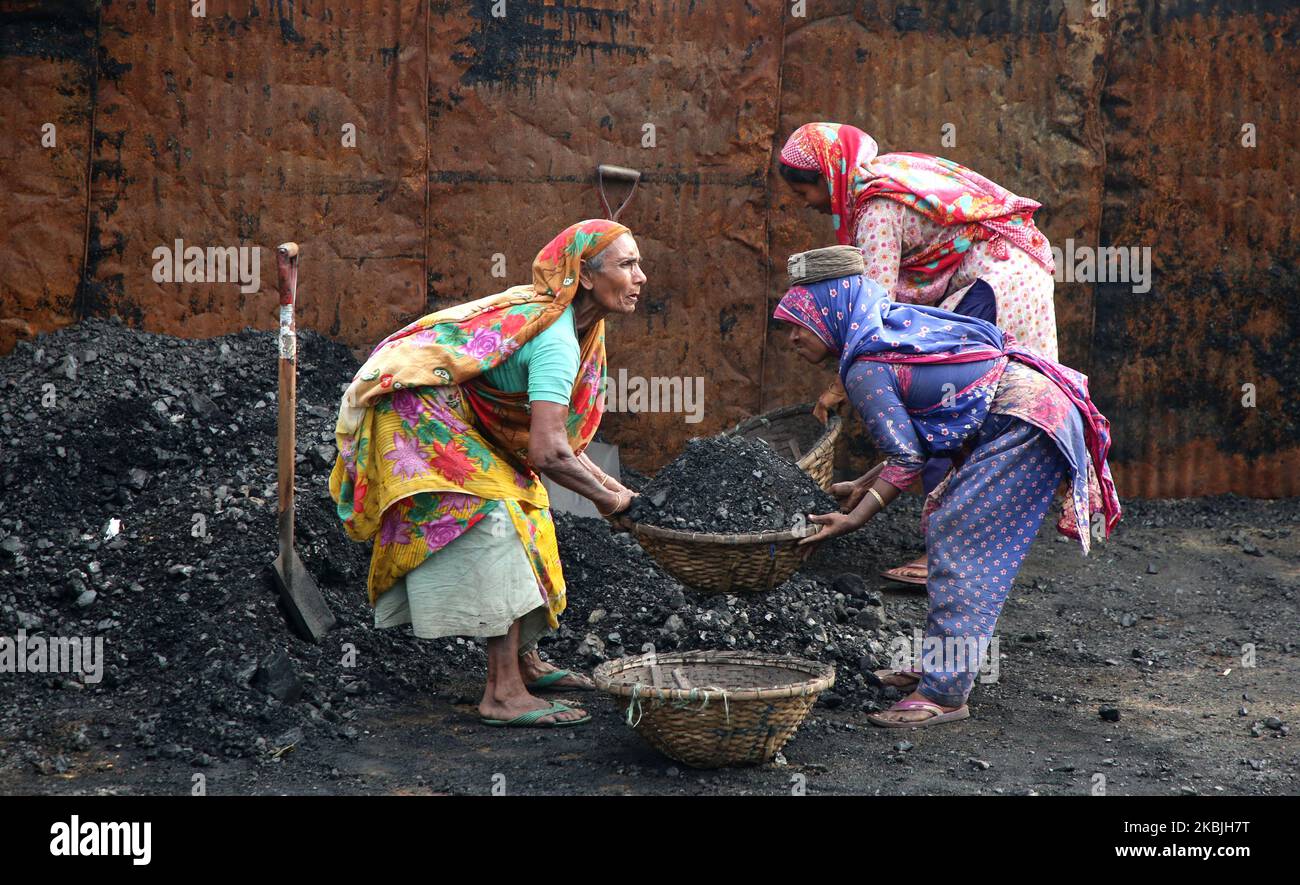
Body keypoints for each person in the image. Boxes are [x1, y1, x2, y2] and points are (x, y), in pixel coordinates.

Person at [778, 245, 1119, 727]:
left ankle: (943, 693)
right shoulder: (883, 331)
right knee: (951, 528)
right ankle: (940, 666)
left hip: (1024, 422)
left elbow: (909, 456)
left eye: (800, 322)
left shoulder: (864, 366)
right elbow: (926, 436)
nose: (792, 337)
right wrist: (864, 482)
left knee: (961, 538)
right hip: (1027, 410)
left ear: (832, 312)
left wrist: (853, 519)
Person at [330, 219, 643, 728]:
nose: (641, 276)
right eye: (627, 265)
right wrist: (613, 503)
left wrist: (622, 493)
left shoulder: (575, 323)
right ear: (584, 277)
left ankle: (526, 662)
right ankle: (502, 693)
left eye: (638, 264)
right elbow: (548, 453)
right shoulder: (556, 341)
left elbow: (563, 446)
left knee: (530, 507)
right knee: (497, 520)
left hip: (460, 413)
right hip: (413, 412)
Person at [779, 121, 1059, 585]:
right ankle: (961, 547)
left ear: (828, 177)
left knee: (963, 413)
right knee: (966, 411)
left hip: (997, 285)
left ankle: (947, 557)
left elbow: (873, 314)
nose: (804, 205)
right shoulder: (885, 174)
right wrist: (870, 481)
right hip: (1014, 272)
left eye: (802, 193)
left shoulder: (875, 205)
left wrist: (839, 386)